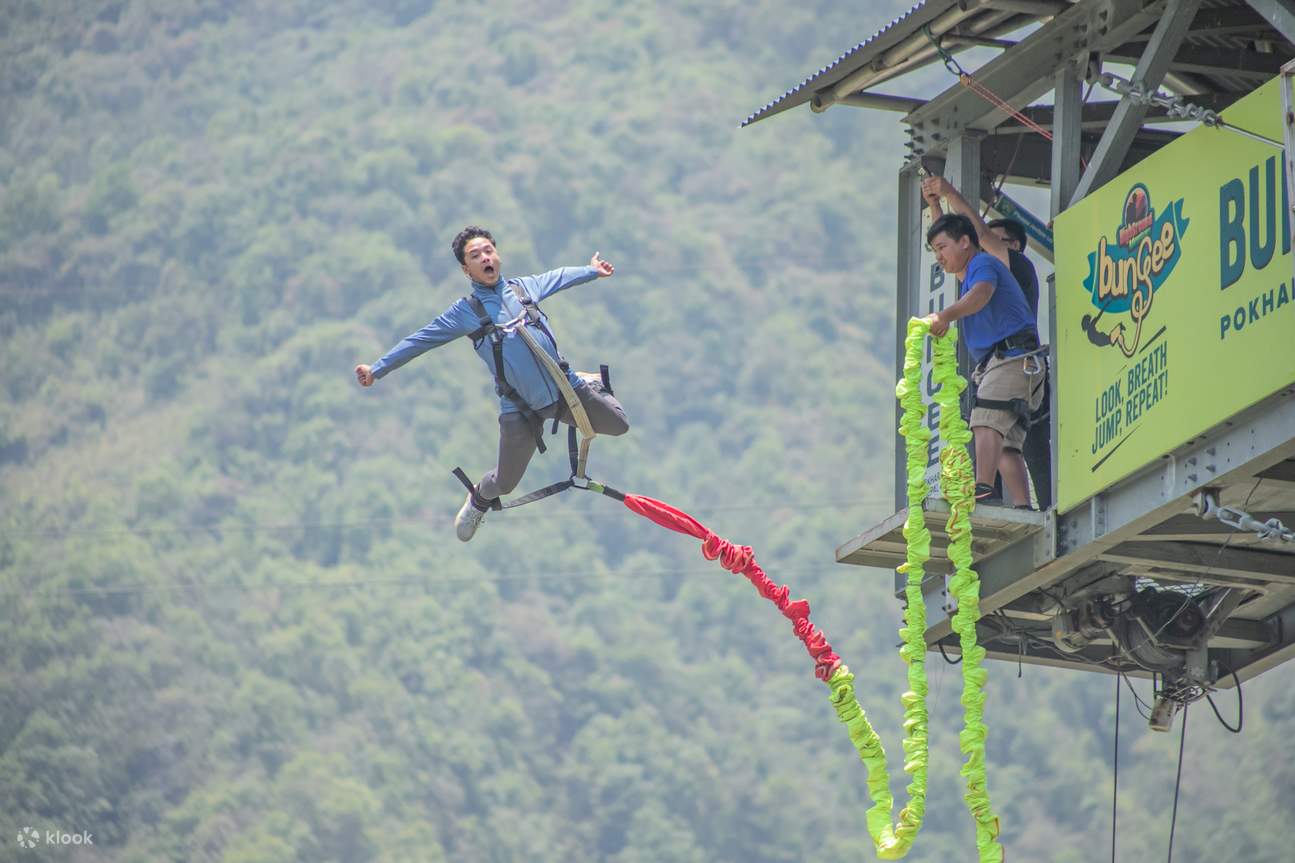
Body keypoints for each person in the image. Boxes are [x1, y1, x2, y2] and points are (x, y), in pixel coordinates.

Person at [355, 225, 629, 541]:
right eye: (475, 255)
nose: (485, 258)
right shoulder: (465, 312)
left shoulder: (523, 289)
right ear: (466, 269)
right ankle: (478, 499)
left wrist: (591, 271)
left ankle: (587, 383)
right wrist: (377, 369)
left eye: (488, 251)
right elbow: (420, 340)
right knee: (505, 482)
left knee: (618, 424)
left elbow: (558, 277)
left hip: (564, 390)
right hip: (519, 408)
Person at [923, 176, 1051, 509]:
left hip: (1012, 358)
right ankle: (1022, 505)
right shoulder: (972, 268)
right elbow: (953, 241)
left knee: (984, 421)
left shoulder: (988, 263)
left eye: (942, 249)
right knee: (1007, 444)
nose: (939, 257)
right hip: (1018, 364)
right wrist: (936, 206)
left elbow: (980, 290)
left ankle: (981, 487)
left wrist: (945, 315)